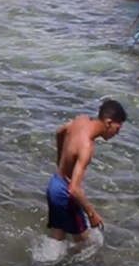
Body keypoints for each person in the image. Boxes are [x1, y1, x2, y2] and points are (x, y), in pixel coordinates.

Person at [46, 101, 127, 245]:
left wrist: (60, 159)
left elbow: (59, 132)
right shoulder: (86, 147)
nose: (116, 134)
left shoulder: (80, 120)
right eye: (117, 129)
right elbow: (74, 189)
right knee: (84, 245)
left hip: (53, 184)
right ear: (108, 122)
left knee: (58, 241)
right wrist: (92, 214)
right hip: (65, 193)